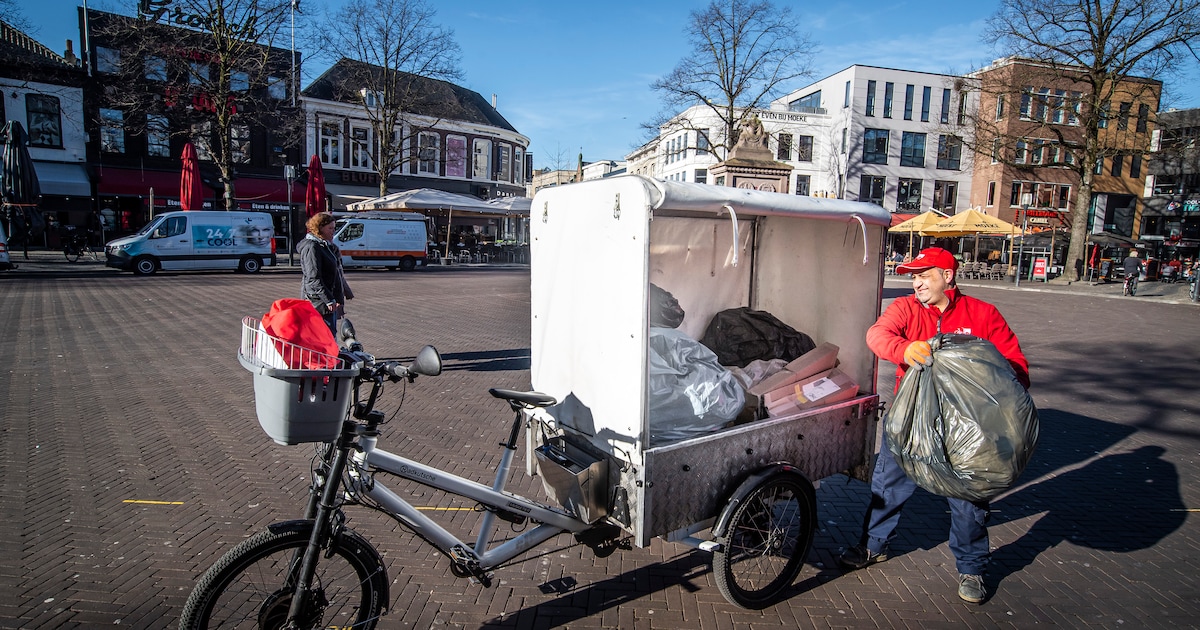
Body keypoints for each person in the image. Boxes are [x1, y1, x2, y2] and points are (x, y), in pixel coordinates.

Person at [838, 247, 1030, 605]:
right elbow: (877, 335)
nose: (917, 283)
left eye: (925, 275)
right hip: (911, 419)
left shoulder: (983, 314)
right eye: (914, 276)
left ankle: (971, 568)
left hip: (965, 429)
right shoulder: (906, 309)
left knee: (968, 498)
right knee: (888, 486)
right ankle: (872, 546)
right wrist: (905, 349)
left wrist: (996, 391)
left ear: (948, 276)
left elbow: (1014, 364)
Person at [298, 212, 353, 335]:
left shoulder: (327, 245)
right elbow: (313, 277)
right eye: (330, 228)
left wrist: (342, 293)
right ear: (320, 228)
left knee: (329, 333)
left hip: (327, 300)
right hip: (318, 302)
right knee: (324, 335)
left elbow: (337, 272)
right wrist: (328, 300)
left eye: (334, 228)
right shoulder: (312, 247)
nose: (333, 231)